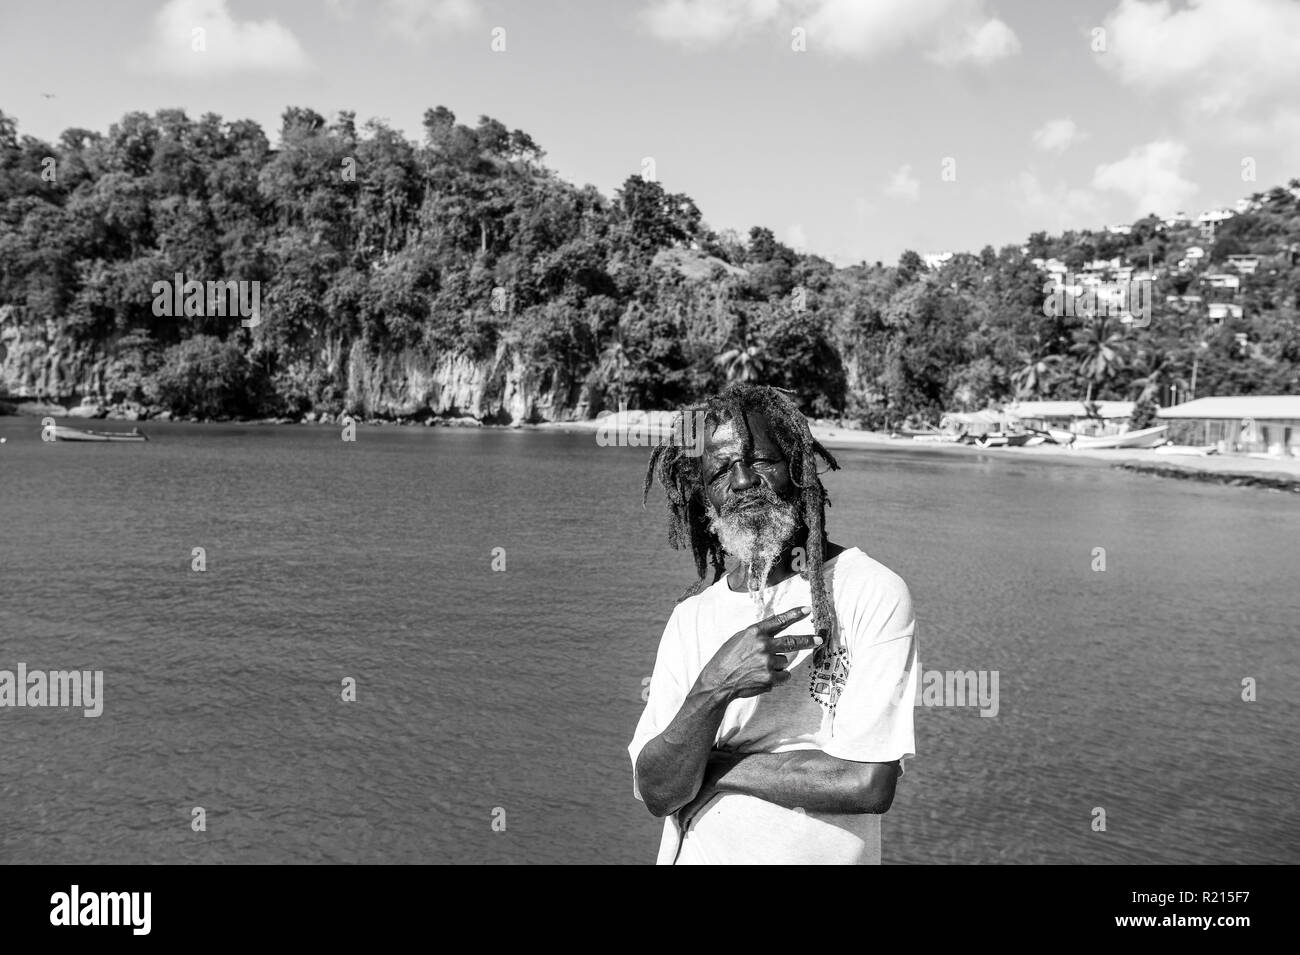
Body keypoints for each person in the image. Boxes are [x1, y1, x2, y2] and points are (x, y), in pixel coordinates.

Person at [630, 383, 919, 864]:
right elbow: (658, 792)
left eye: (761, 460)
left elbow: (866, 782)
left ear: (797, 467)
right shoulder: (692, 618)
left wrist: (715, 767)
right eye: (720, 471)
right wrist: (714, 688)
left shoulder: (869, 590)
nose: (743, 481)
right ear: (705, 500)